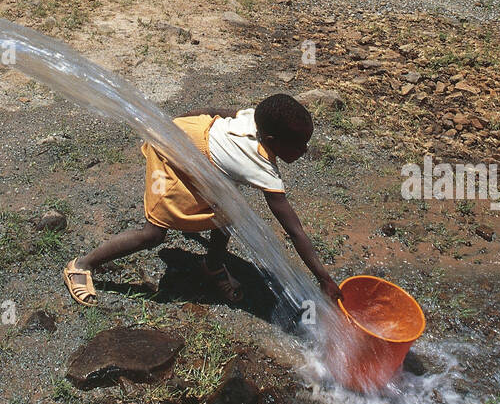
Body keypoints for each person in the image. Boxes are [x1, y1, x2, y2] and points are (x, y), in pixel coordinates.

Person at [64, 93, 341, 306]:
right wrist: (324, 278)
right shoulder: (262, 169)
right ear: (271, 139)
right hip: (172, 153)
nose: (305, 151)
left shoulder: (254, 117)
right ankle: (82, 265)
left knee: (228, 213)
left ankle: (212, 266)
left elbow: (213, 111)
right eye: (298, 145)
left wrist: (177, 122)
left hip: (194, 146)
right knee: (154, 233)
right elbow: (294, 231)